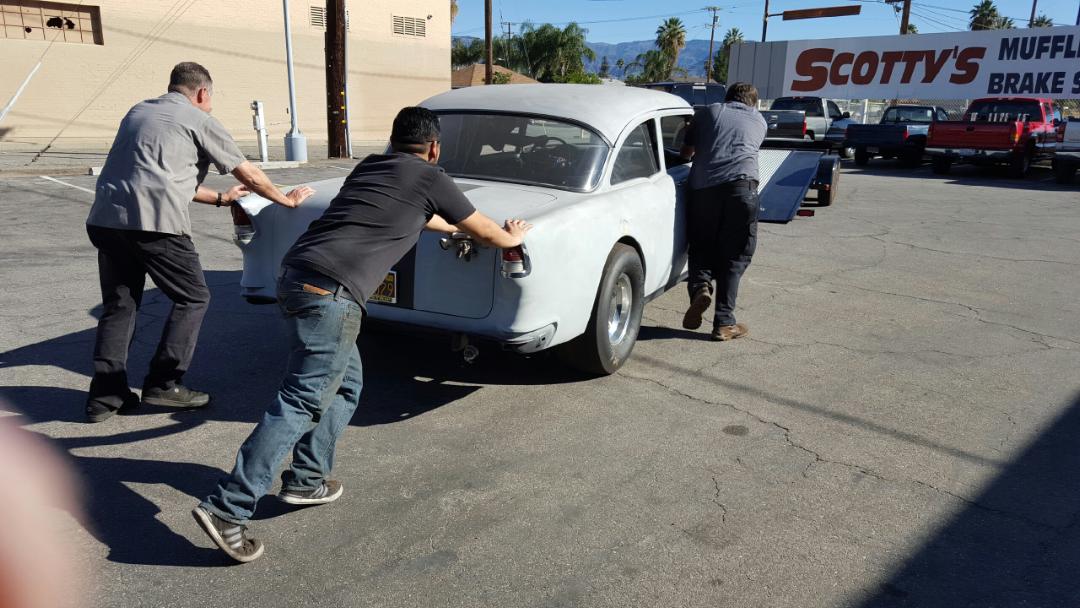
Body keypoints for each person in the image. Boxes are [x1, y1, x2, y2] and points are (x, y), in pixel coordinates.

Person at [193, 107, 532, 563]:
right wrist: (510, 236)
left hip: (295, 275)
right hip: (331, 294)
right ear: (434, 148)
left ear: (393, 142)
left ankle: (307, 480)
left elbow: (420, 215)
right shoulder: (432, 178)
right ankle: (228, 508)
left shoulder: (371, 167)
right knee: (302, 399)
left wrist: (451, 223)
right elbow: (486, 232)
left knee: (346, 384)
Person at [84, 62, 315, 423]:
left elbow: (163, 176)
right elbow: (249, 173)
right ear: (203, 92)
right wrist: (286, 200)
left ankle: (105, 396)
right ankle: (164, 384)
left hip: (106, 220)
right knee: (193, 297)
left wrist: (222, 200)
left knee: (120, 305)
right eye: (211, 98)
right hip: (155, 225)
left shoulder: (139, 112)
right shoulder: (198, 119)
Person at [679, 83, 767, 341]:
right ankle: (724, 323)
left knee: (701, 246)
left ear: (726, 98)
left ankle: (699, 289)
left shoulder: (708, 112)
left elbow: (686, 152)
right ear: (752, 103)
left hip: (703, 191)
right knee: (735, 257)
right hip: (742, 190)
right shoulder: (759, 120)